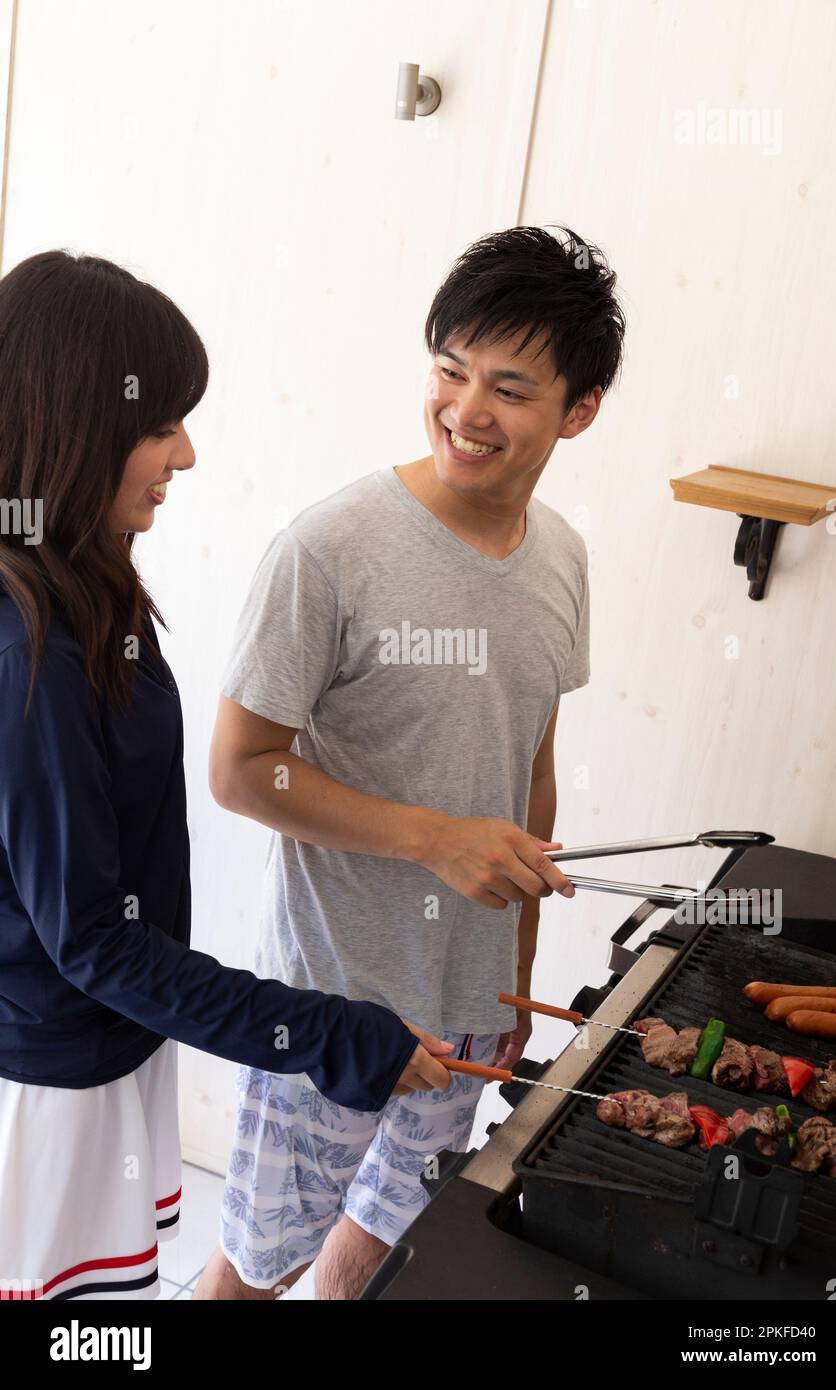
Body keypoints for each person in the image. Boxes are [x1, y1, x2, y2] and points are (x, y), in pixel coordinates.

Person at [0, 250, 451, 1303]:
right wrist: (332, 1032)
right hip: (52, 1070)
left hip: (106, 1042)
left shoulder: (85, 580)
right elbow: (92, 940)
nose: (186, 453)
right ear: (73, 422)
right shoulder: (26, 647)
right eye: (158, 424)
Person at [196, 225, 625, 1300]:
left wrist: (516, 978)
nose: (464, 411)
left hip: (472, 1002)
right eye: (448, 370)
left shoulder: (563, 555)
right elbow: (242, 768)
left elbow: (529, 766)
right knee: (260, 1263)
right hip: (335, 996)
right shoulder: (328, 548)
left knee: (379, 1238)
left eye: (509, 389)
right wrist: (433, 839)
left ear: (579, 411)